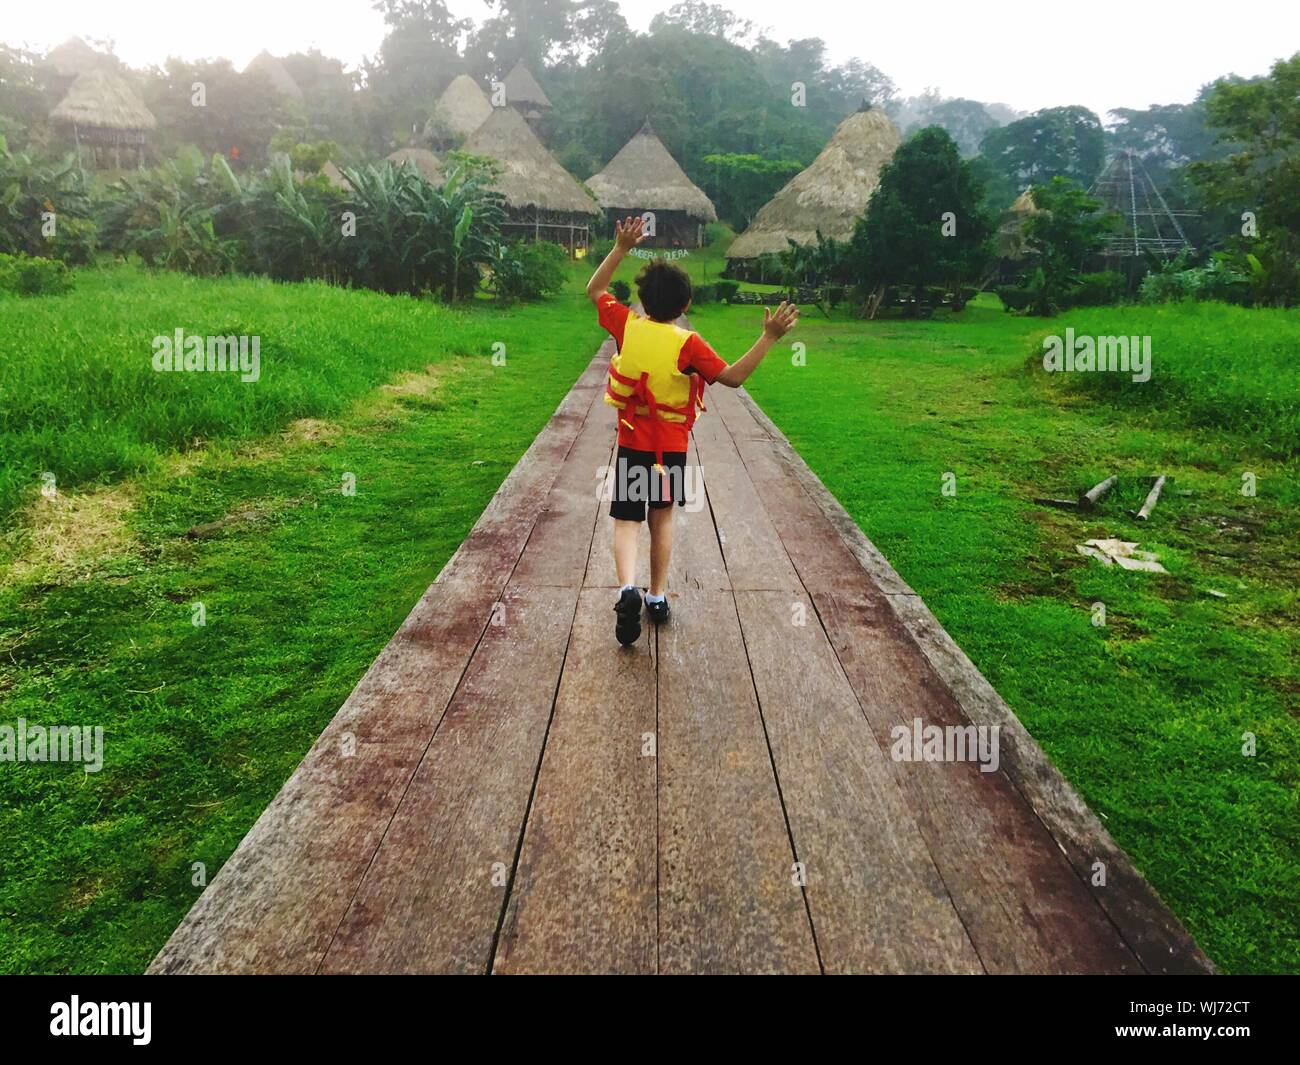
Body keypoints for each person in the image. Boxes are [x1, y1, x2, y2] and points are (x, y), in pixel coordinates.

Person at [586, 215, 799, 645]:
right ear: (685, 306)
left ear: (644, 301)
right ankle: (657, 596)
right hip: (670, 451)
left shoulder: (626, 324)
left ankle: (627, 587)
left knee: (626, 520)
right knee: (661, 517)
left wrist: (622, 248)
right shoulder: (690, 344)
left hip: (631, 443)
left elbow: (595, 290)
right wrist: (769, 337)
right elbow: (733, 377)